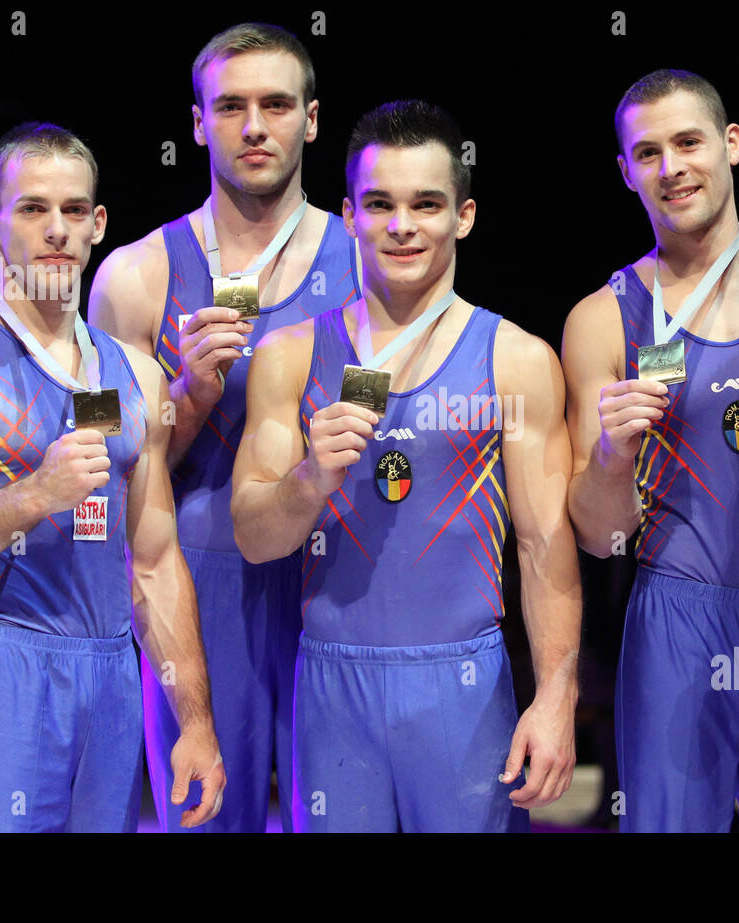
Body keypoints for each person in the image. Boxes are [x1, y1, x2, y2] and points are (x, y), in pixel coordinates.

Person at [230, 100, 581, 832]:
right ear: (349, 214)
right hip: (331, 687)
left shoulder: (516, 358)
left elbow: (545, 546)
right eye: (381, 204)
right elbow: (256, 537)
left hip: (463, 689)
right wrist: (308, 480)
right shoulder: (290, 356)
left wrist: (555, 696)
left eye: (426, 204)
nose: (402, 226)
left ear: (465, 215)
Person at [0, 122, 225, 832]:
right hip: (4, 662)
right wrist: (32, 495)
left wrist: (194, 720)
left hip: (112, 678)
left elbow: (155, 564)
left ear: (98, 224)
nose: (57, 230)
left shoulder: (132, 372)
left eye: (74, 211)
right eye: (33, 209)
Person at [89, 23, 357, 833]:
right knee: (205, 819)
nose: (253, 126)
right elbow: (97, 471)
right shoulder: (131, 278)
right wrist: (188, 394)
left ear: (310, 120)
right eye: (230, 106)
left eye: (276, 104)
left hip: (338, 575)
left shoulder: (374, 259)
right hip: (194, 585)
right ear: (198, 123)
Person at [562, 69, 739, 832]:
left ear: (733, 145)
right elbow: (596, 531)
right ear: (625, 172)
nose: (671, 167)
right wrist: (612, 458)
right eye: (646, 152)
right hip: (676, 619)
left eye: (688, 142)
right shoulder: (602, 317)